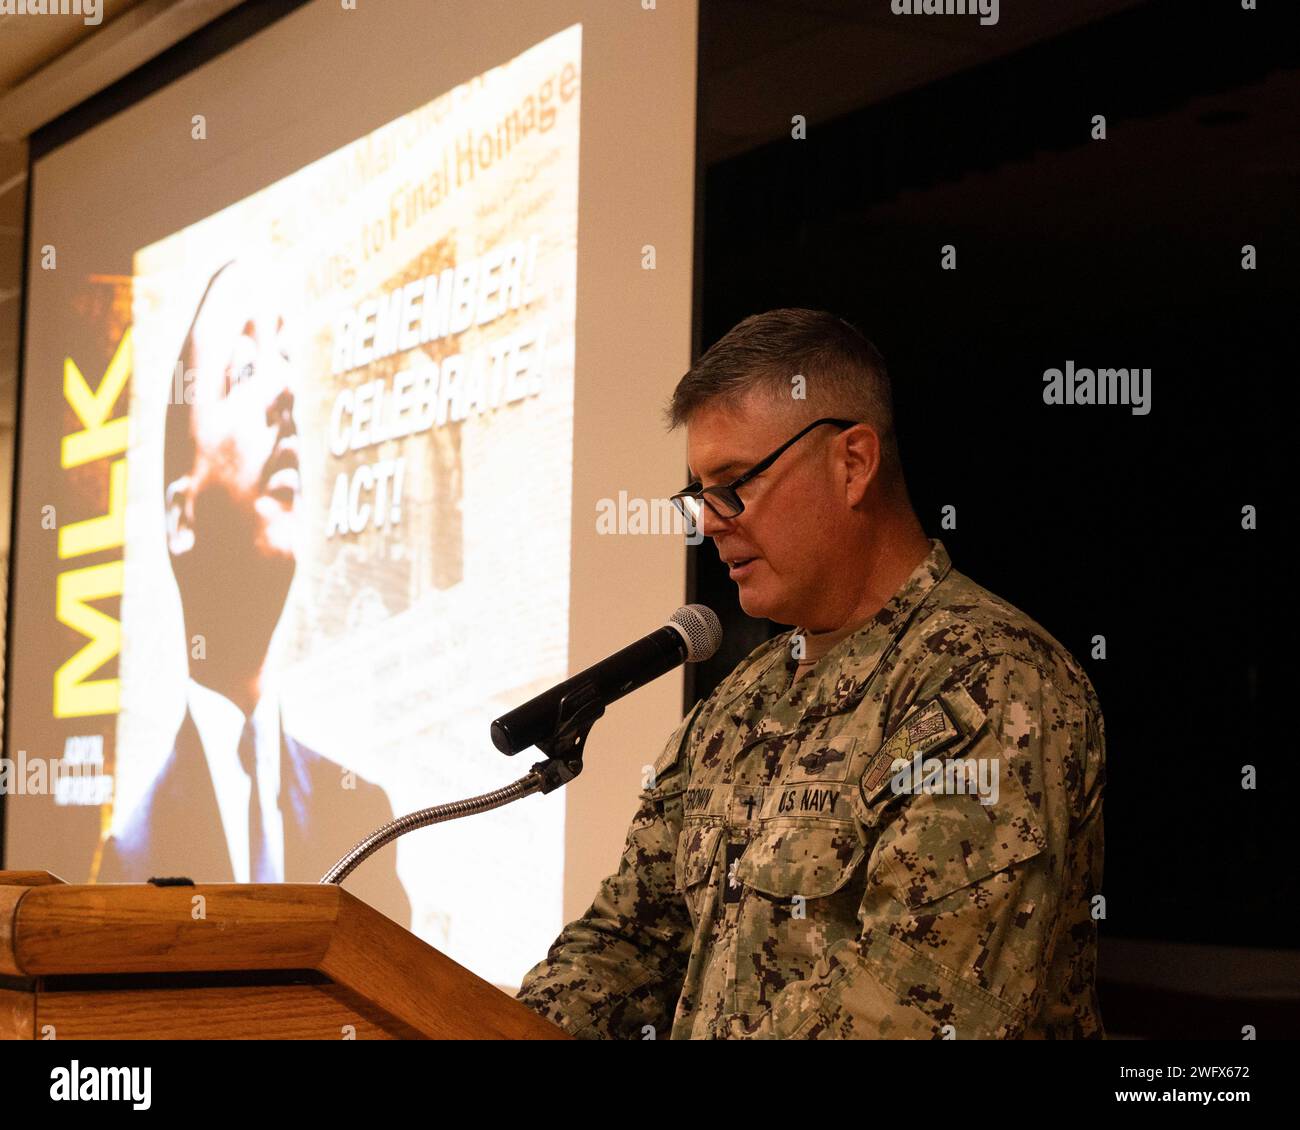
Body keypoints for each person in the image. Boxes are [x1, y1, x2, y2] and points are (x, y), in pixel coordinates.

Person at [515, 308, 1104, 1038]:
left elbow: (915, 1002)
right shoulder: (739, 704)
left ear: (852, 463)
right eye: (699, 493)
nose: (708, 521)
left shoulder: (990, 680)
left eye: (734, 483)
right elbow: (627, 947)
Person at [97, 260, 410, 928]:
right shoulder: (127, 858)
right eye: (244, 371)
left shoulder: (364, 816)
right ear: (180, 517)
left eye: (288, 360)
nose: (285, 393)